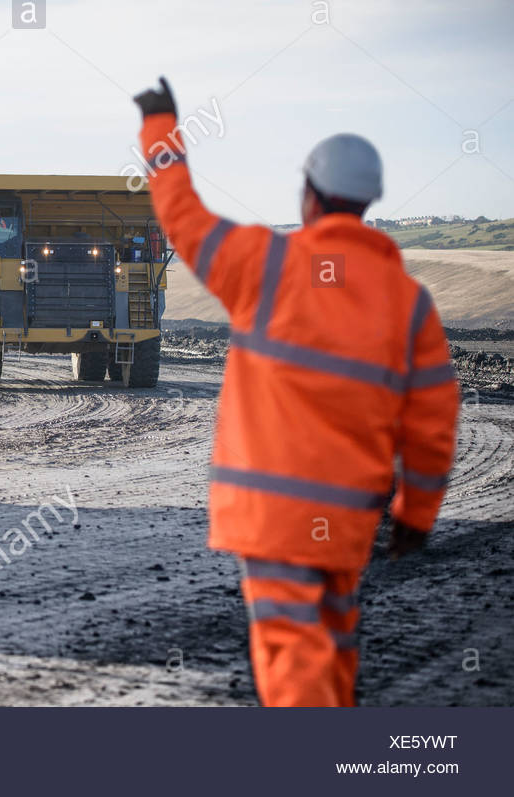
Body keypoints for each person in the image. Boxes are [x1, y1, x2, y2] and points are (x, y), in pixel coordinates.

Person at [132, 77, 459, 707]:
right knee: (332, 645)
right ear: (367, 204)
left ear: (309, 196)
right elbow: (434, 418)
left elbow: (183, 216)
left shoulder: (266, 264)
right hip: (346, 520)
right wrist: (417, 513)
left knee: (296, 659)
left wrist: (159, 126)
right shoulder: (408, 303)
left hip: (274, 519)